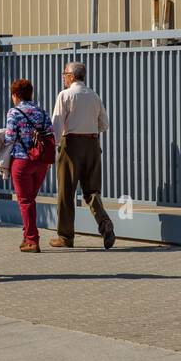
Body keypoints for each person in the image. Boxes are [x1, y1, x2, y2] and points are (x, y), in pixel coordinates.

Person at [49, 61, 114, 249]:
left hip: (72, 145)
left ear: (71, 76)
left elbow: (57, 124)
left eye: (64, 74)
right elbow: (104, 124)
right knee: (92, 191)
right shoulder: (94, 95)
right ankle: (105, 224)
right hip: (93, 144)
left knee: (66, 192)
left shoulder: (65, 95)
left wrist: (53, 146)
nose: (63, 77)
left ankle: (65, 236)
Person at [4, 78, 53, 253]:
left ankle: (32, 240)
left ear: (16, 95)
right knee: (30, 200)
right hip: (41, 162)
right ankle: (27, 236)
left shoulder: (14, 112)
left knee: (25, 201)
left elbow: (9, 138)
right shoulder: (41, 111)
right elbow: (50, 132)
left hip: (21, 161)